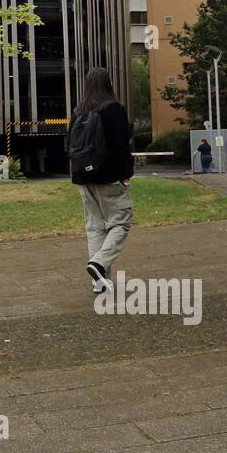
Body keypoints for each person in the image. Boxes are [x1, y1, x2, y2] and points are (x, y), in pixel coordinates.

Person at [68, 68, 134, 294]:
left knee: (95, 226)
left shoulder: (78, 111)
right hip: (110, 176)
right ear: (108, 83)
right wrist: (126, 174)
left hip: (83, 178)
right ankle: (99, 264)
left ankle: (99, 281)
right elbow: (121, 146)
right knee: (121, 222)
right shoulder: (114, 109)